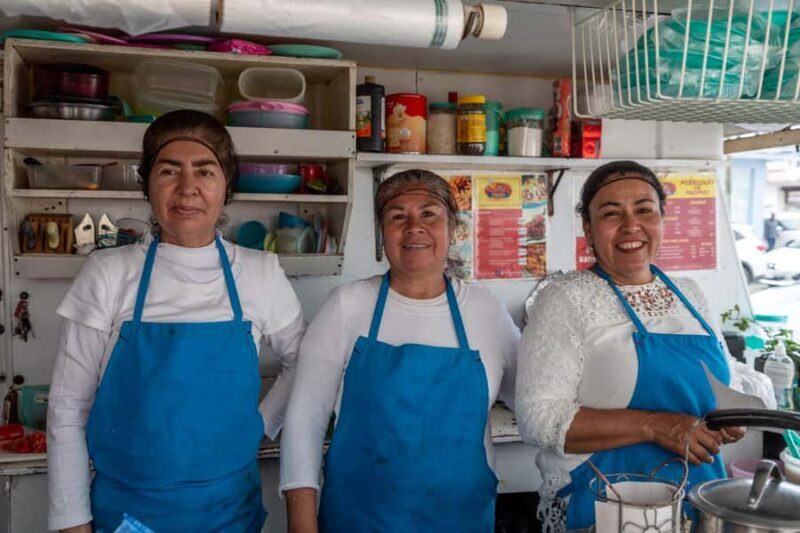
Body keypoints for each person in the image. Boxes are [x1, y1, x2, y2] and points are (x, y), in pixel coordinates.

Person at [47, 110, 305, 533]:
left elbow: (303, 359)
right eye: (169, 171)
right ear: (147, 184)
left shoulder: (260, 272)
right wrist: (72, 522)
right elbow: (68, 409)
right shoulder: (108, 272)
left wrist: (262, 423)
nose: (188, 189)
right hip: (129, 514)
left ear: (226, 186)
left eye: (204, 171)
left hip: (229, 512)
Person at [515, 161, 773, 532]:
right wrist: (655, 426)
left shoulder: (690, 294)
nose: (630, 226)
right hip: (607, 502)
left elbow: (724, 378)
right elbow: (537, 419)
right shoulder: (565, 298)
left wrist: (731, 416)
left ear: (662, 220)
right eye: (611, 213)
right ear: (588, 228)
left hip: (696, 498)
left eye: (644, 210)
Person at [280, 169, 520, 533]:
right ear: (382, 235)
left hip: (460, 518)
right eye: (397, 216)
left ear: (452, 228)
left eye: (429, 214)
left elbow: (533, 402)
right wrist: (301, 526)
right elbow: (304, 419)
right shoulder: (347, 305)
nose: (414, 227)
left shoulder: (486, 310)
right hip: (359, 518)